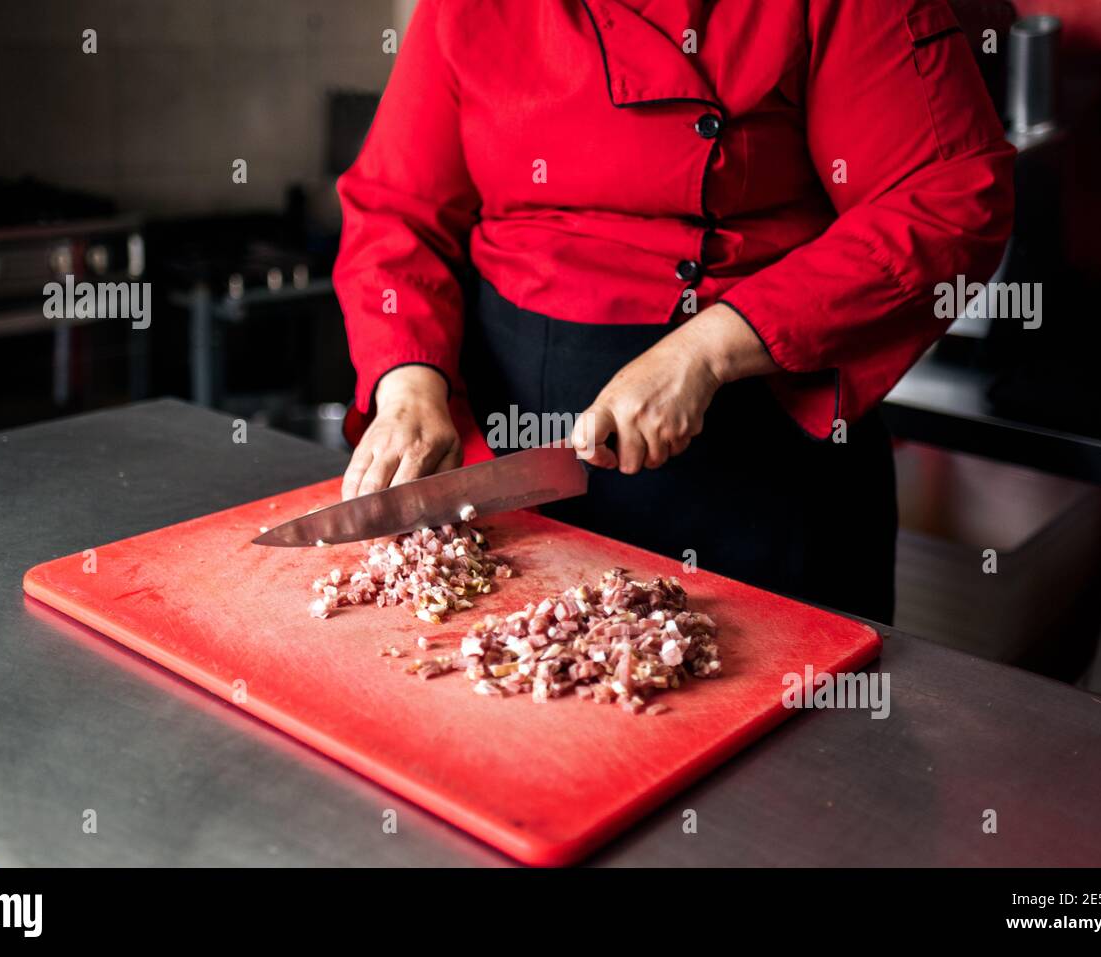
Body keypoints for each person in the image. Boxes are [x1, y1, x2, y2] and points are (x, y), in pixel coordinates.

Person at [332, 0, 1014, 624]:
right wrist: (410, 383)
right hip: (518, 457)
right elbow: (398, 210)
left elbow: (947, 201)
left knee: (790, 744)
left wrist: (707, 350)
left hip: (762, 451)